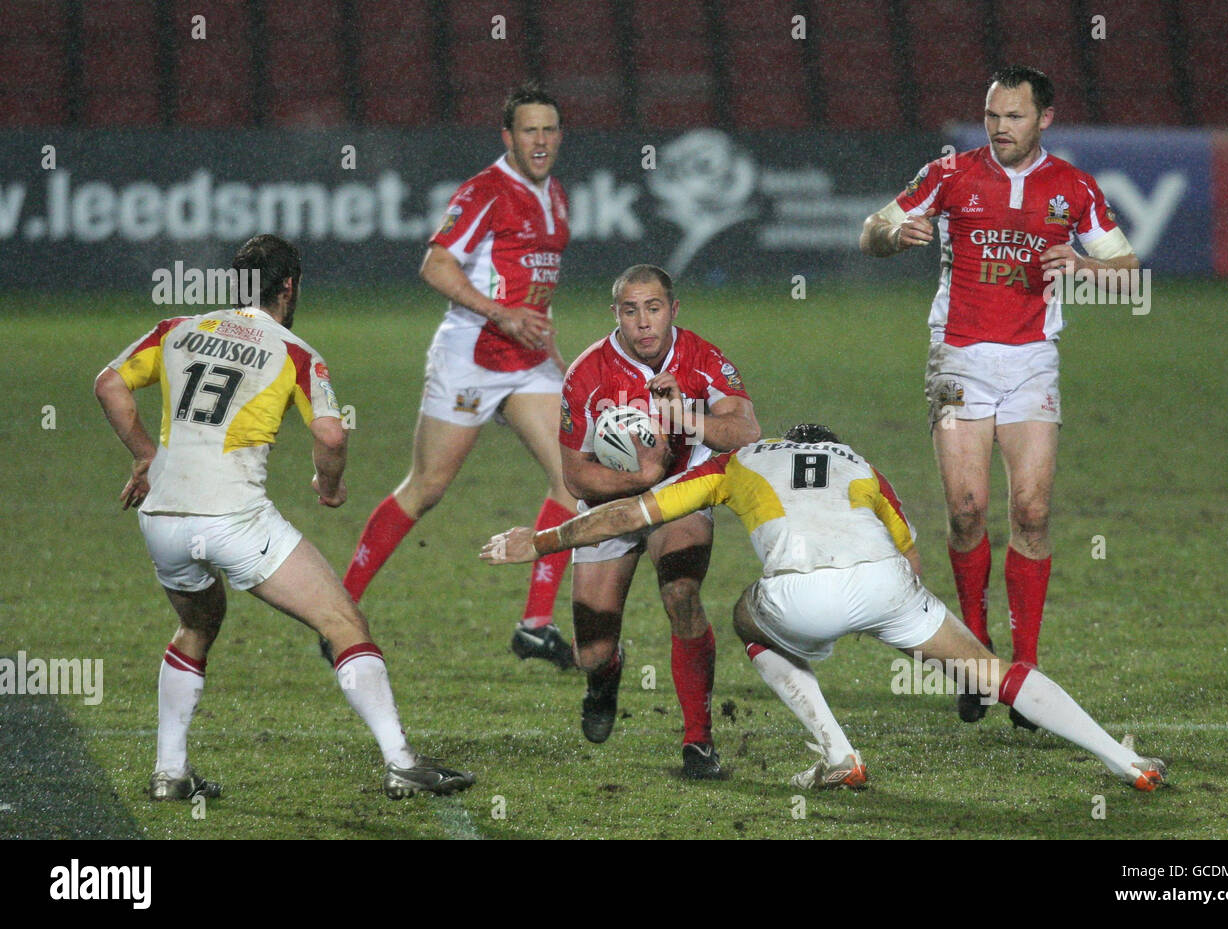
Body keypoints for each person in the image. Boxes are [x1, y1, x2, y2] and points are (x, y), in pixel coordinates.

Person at [481, 424, 1168, 793]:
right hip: (886, 583)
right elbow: (912, 554)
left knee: (748, 618)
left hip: (800, 595)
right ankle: (1123, 759)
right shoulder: (860, 463)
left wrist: (537, 542)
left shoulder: (737, 460)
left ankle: (839, 752)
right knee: (990, 669)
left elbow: (630, 511)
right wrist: (896, 622)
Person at [94, 234, 474, 801]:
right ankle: (400, 760)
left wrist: (146, 455)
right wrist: (330, 483)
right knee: (344, 623)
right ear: (290, 285)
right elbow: (330, 431)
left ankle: (170, 773)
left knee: (197, 625)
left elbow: (109, 384)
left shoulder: (177, 329)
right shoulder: (293, 351)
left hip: (162, 519)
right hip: (234, 519)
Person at [859, 65, 1141, 727]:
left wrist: (1087, 268)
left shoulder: (1073, 187)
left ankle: (1028, 666)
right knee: (965, 509)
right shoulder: (949, 174)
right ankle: (978, 657)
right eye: (992, 115)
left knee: (1033, 512)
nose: (1000, 127)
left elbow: (1128, 276)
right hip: (959, 357)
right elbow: (870, 231)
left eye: (1013, 116)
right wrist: (893, 235)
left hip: (1032, 362)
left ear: (1044, 118)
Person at [339, 81, 579, 669]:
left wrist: (556, 356)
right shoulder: (485, 191)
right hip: (471, 355)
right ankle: (338, 609)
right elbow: (435, 264)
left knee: (576, 480)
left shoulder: (556, 194)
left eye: (549, 129)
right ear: (508, 136)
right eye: (530, 130)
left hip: (526, 363)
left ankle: (535, 625)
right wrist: (501, 314)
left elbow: (533, 290)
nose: (541, 139)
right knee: (427, 488)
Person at [557, 264, 760, 778]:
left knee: (682, 595)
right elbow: (577, 477)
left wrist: (687, 420)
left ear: (673, 309)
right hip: (612, 504)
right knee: (590, 652)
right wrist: (641, 476)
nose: (643, 322)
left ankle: (698, 742)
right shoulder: (587, 374)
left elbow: (747, 432)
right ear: (616, 315)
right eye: (631, 311)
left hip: (682, 495)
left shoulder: (703, 358)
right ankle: (605, 677)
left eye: (653, 308)